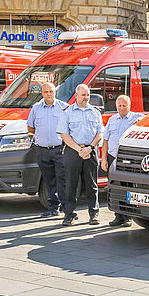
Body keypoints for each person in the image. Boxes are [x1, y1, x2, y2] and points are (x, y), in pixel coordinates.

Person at [59, 84, 104, 226]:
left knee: (92, 184)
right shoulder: (68, 112)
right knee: (71, 185)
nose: (86, 98)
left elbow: (100, 133)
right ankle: (69, 215)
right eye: (83, 95)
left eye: (88, 95)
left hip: (90, 150)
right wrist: (79, 150)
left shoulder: (95, 112)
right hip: (73, 151)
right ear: (76, 95)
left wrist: (90, 148)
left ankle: (94, 214)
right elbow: (64, 135)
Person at [102, 94, 143, 227]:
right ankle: (117, 216)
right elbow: (105, 140)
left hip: (128, 159)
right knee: (114, 188)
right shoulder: (112, 120)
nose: (122, 108)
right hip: (113, 157)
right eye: (119, 106)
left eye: (124, 105)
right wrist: (103, 159)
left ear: (129, 106)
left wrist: (141, 122)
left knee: (127, 187)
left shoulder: (136, 118)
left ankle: (127, 217)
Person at [29, 81, 68, 218]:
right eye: (46, 92)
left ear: (55, 92)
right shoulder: (36, 108)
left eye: (51, 91)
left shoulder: (64, 108)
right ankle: (53, 208)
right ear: (42, 93)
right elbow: (30, 127)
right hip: (43, 150)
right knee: (48, 179)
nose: (49, 94)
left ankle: (66, 207)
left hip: (60, 149)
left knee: (62, 179)